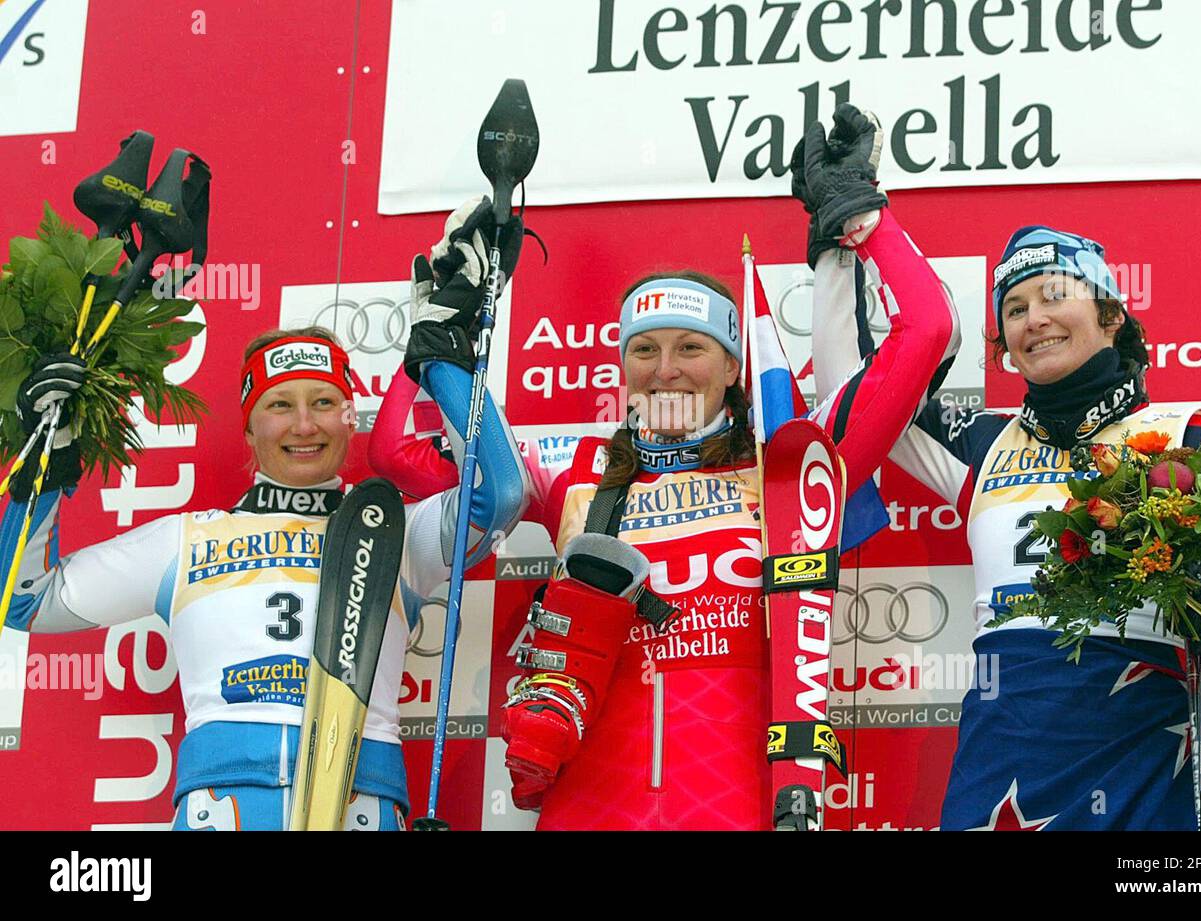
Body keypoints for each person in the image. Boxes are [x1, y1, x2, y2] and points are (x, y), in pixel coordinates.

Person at [375, 105, 961, 830]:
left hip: (741, 803)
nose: (664, 371)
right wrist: (440, 340)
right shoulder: (577, 470)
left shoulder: (788, 466)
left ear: (732, 364)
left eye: (691, 348)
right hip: (590, 803)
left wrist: (861, 217)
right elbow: (397, 456)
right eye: (644, 350)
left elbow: (926, 329)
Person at [813, 223, 1201, 830]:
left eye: (1054, 296)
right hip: (1002, 762)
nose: (1033, 318)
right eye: (1015, 309)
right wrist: (845, 236)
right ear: (1005, 345)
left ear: (1111, 313)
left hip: (1147, 761)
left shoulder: (1194, 436)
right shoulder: (981, 442)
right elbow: (850, 398)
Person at [1, 316, 524, 830]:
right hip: (225, 808)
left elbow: (499, 494)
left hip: (360, 803)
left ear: (349, 418)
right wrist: (47, 459)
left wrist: (443, 359)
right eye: (280, 405)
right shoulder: (183, 542)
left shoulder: (397, 536)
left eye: (323, 403)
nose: (304, 425)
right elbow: (21, 600)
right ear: (249, 427)